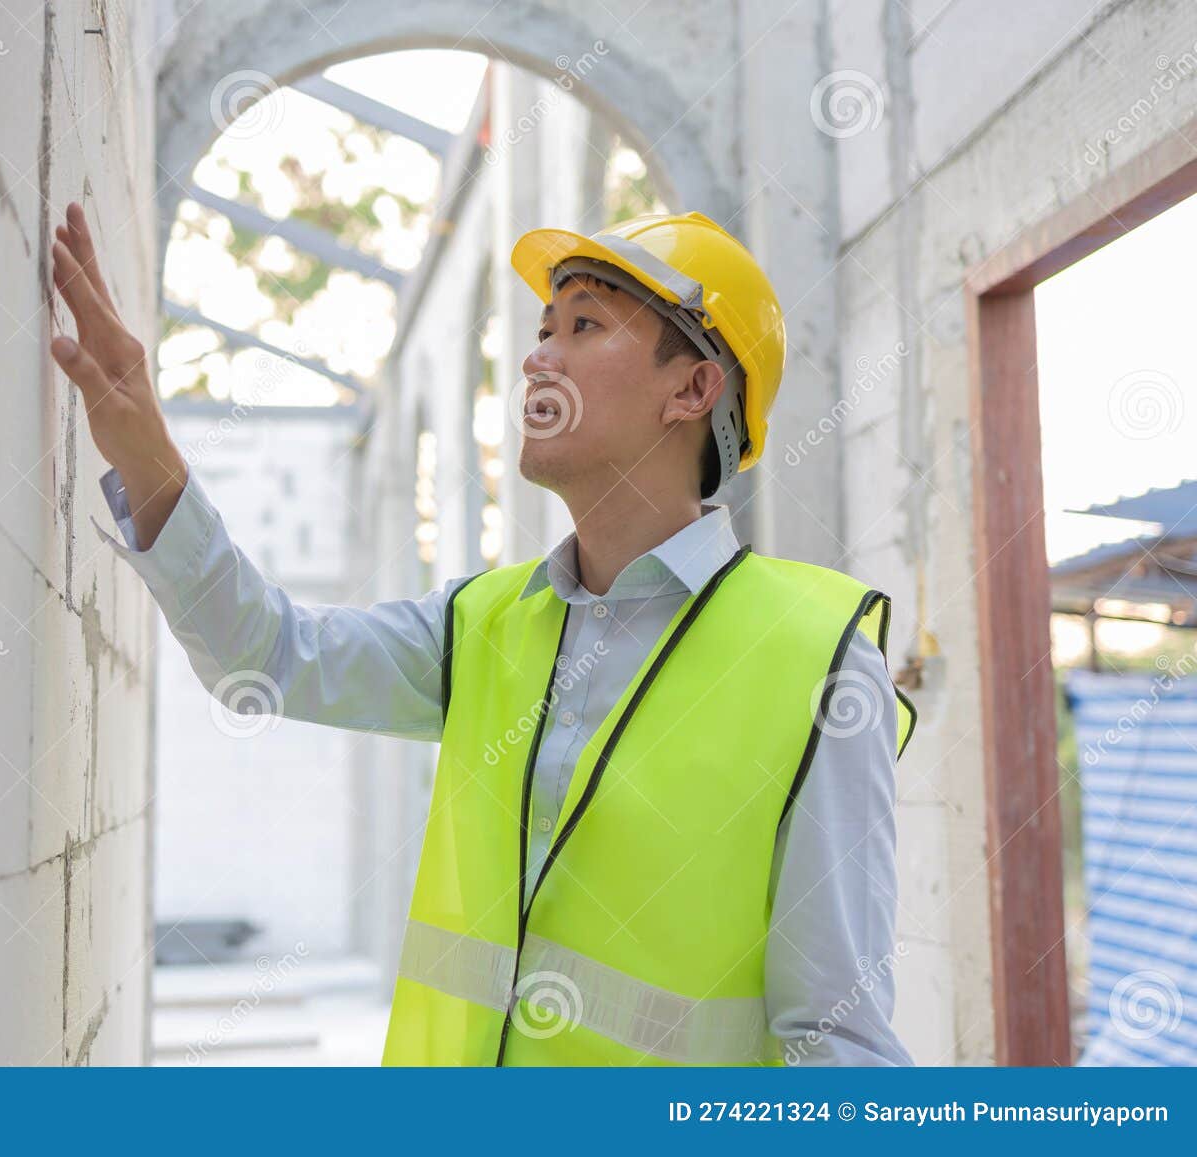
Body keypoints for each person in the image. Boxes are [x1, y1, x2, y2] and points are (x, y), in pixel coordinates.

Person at [47, 201, 917, 1066]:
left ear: (691, 389)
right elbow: (264, 655)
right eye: (544, 328)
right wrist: (142, 445)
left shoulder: (818, 660)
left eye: (583, 325)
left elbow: (837, 1039)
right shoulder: (482, 624)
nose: (539, 357)